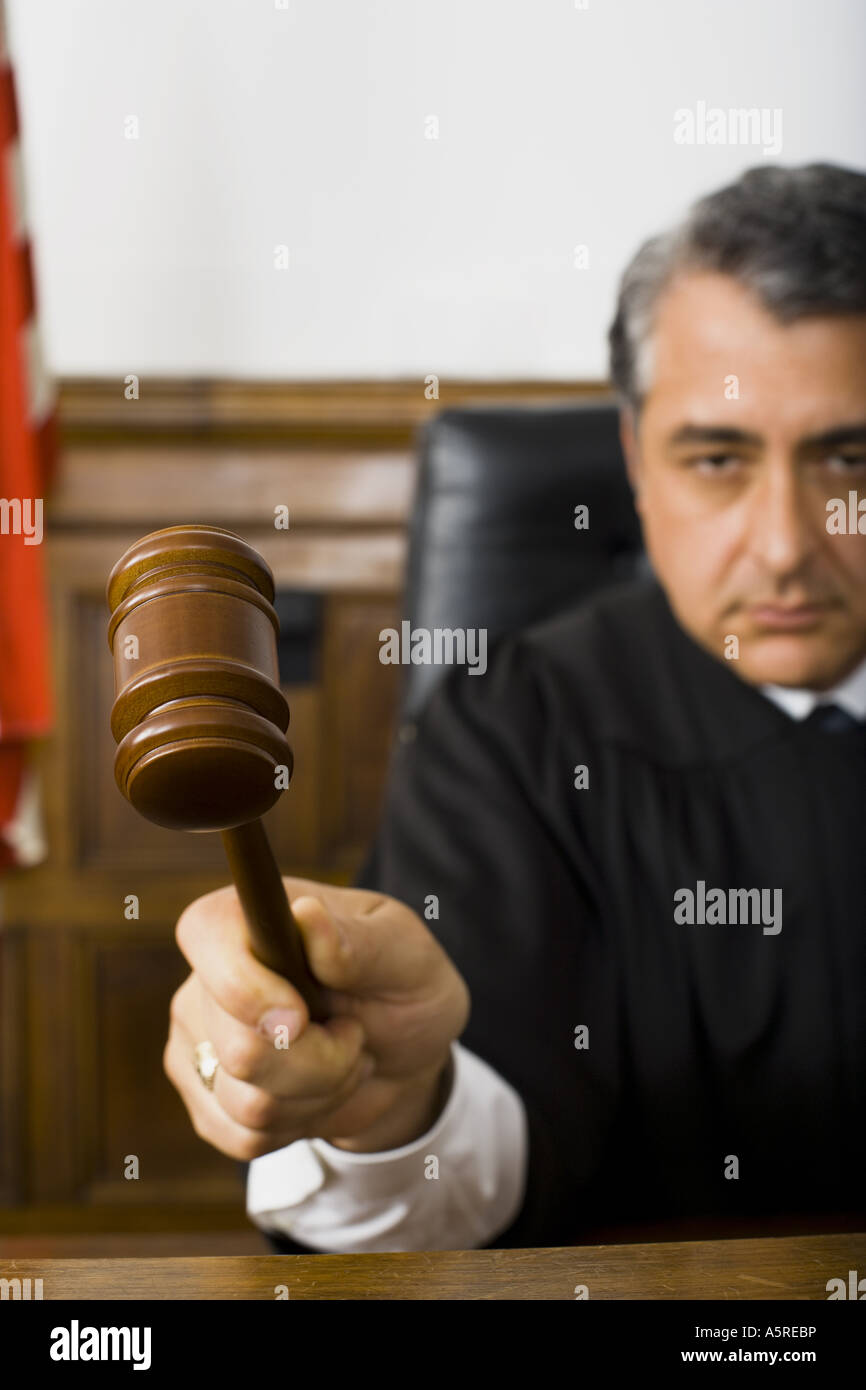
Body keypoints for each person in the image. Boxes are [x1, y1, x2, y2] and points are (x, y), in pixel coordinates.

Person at [164, 163, 866, 1253]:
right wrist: (387, 1108)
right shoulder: (510, 733)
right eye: (717, 458)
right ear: (635, 461)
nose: (782, 544)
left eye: (848, 459)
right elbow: (475, 1169)